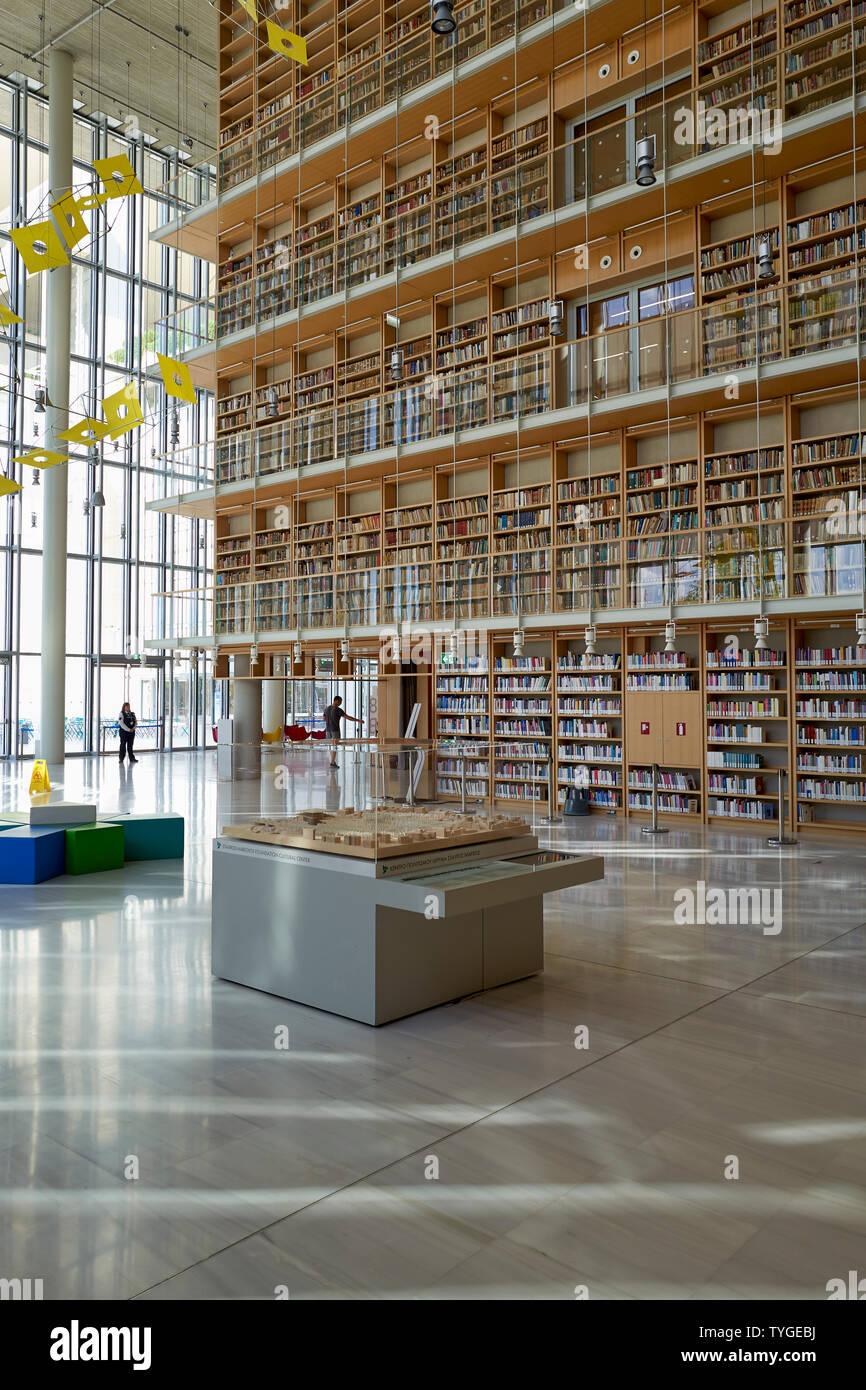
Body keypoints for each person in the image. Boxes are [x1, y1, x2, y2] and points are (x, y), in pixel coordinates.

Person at [323, 695, 361, 767]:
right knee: (334, 746)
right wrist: (358, 720)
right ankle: (332, 762)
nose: (340, 703)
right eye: (340, 701)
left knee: (331, 746)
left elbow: (324, 719)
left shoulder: (326, 709)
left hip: (328, 730)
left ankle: (332, 761)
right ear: (336, 701)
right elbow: (348, 717)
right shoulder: (338, 709)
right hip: (335, 730)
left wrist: (329, 720)